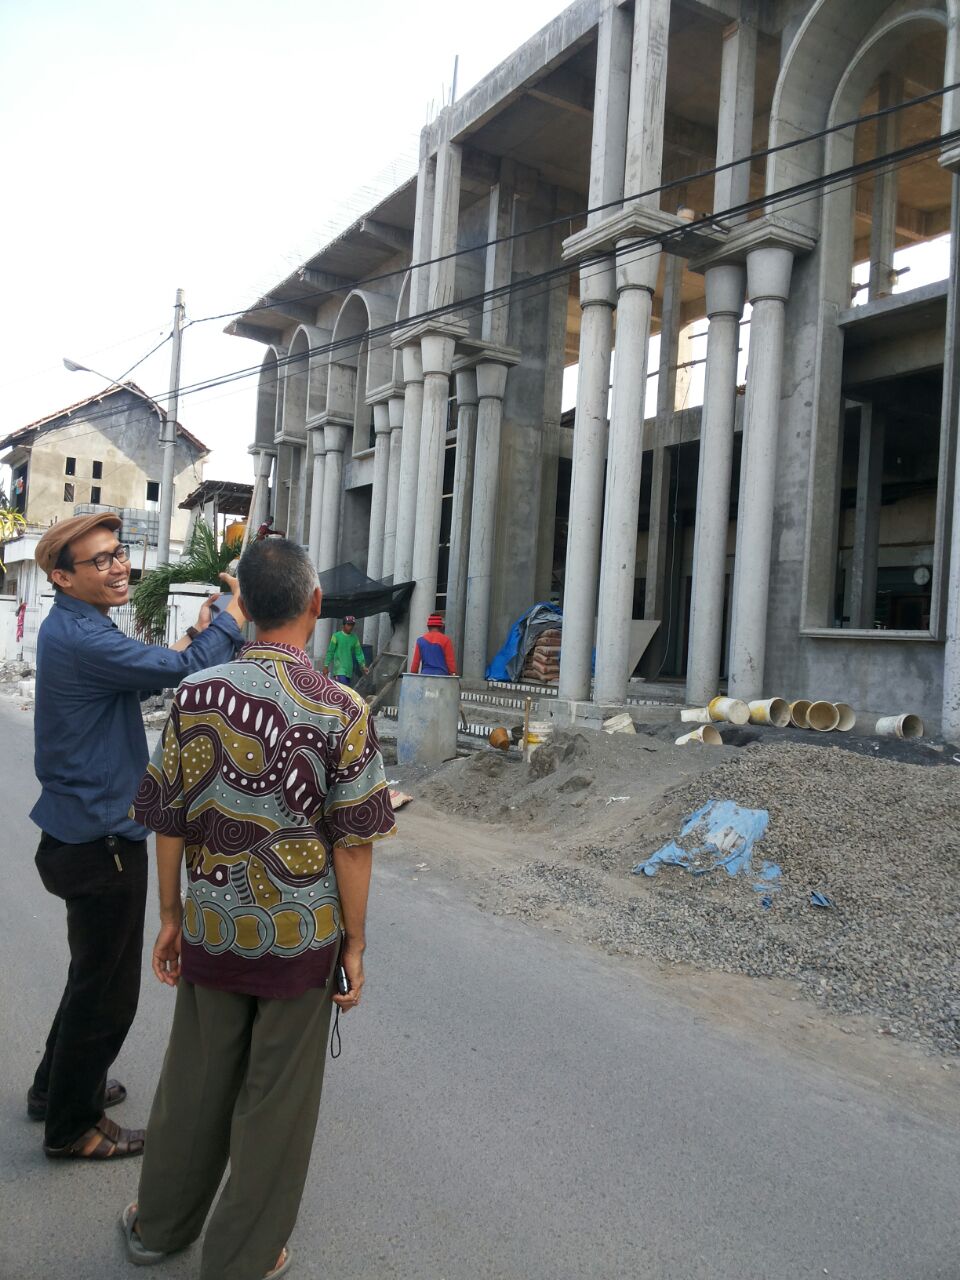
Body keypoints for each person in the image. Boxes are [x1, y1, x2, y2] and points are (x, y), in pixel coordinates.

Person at [119, 537, 396, 1279]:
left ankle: (158, 1228)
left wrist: (171, 917)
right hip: (300, 936)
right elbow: (355, 844)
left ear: (242, 607)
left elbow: (168, 818)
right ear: (315, 606)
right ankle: (241, 1258)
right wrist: (356, 947)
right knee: (276, 1102)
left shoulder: (197, 694)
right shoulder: (342, 707)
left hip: (212, 922)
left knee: (196, 1080)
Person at [29, 512, 246, 1161]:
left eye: (118, 553)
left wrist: (201, 637)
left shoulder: (81, 627)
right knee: (108, 994)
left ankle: (55, 1089)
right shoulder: (81, 637)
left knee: (88, 977)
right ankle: (73, 1127)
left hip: (79, 834)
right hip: (101, 845)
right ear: (62, 577)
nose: (119, 566)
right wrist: (234, 613)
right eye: (99, 561)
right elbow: (181, 670)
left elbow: (166, 662)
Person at [322, 613, 368, 686]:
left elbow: (359, 653)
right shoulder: (336, 636)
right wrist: (326, 665)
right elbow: (330, 652)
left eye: (352, 625)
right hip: (339, 670)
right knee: (343, 690)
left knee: (344, 691)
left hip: (349, 670)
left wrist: (363, 666)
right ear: (343, 625)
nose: (351, 627)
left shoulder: (354, 638)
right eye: (348, 624)